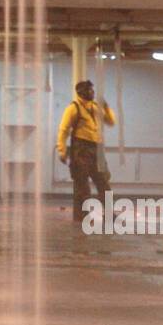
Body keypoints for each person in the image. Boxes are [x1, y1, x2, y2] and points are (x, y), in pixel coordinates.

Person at [57, 79, 115, 223]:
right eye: (90, 90)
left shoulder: (95, 107)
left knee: (104, 183)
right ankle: (82, 217)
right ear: (82, 92)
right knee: (82, 187)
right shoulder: (73, 108)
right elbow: (63, 130)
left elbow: (111, 122)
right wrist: (62, 150)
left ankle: (109, 214)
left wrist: (106, 107)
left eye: (93, 90)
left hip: (96, 149)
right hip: (81, 150)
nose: (93, 93)